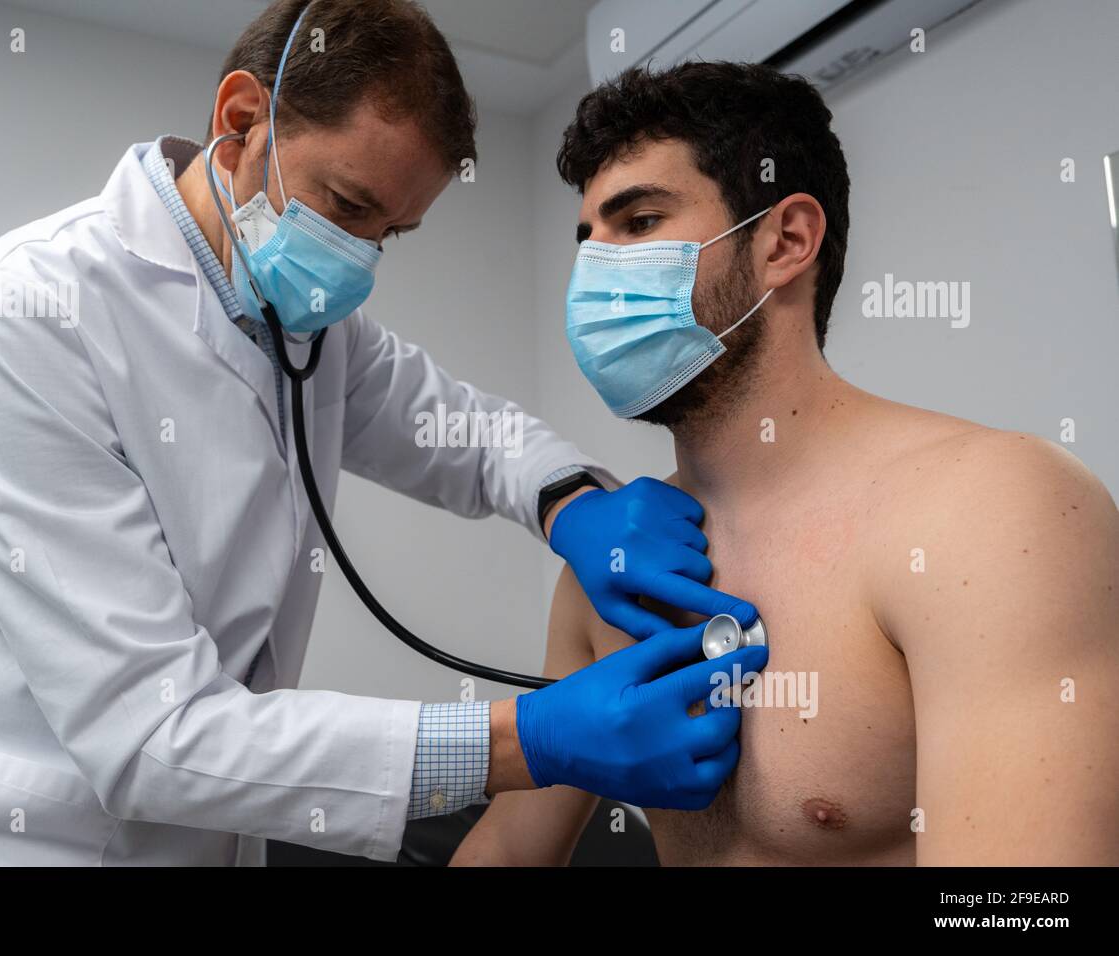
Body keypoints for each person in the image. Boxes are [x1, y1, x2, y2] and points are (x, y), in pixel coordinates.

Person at [0, 0, 763, 867]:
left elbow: (464, 433)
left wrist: (571, 504)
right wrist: (537, 739)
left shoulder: (299, 318)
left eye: (390, 233)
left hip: (207, 830)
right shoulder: (25, 315)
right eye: (350, 207)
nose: (358, 259)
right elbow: (153, 735)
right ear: (240, 122)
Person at [452, 61, 1119, 866]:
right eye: (586, 239)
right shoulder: (610, 573)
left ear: (786, 242)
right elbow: (510, 849)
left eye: (637, 224)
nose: (592, 272)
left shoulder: (992, 512)